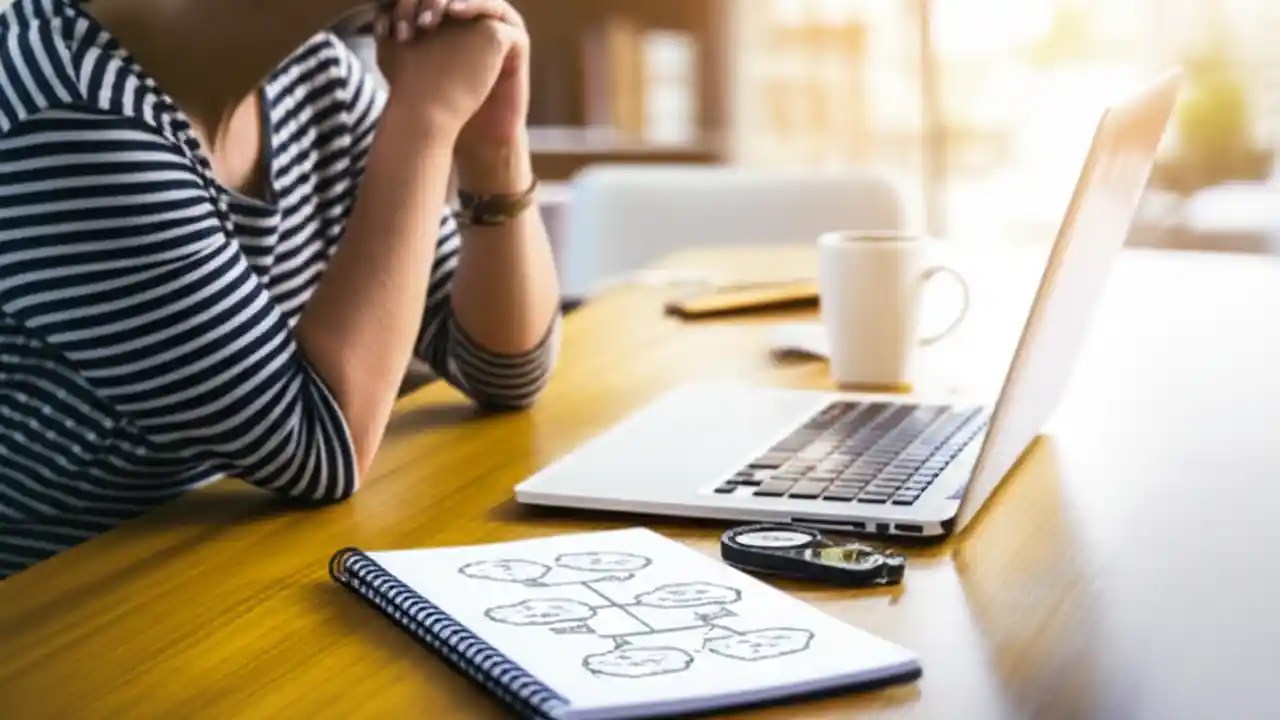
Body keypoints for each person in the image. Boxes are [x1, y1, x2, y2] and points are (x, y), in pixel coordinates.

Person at [0, 0, 561, 578]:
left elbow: (502, 366)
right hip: (54, 617)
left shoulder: (311, 76)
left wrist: (493, 142)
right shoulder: (57, 105)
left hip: (216, 568)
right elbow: (316, 449)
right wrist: (426, 118)